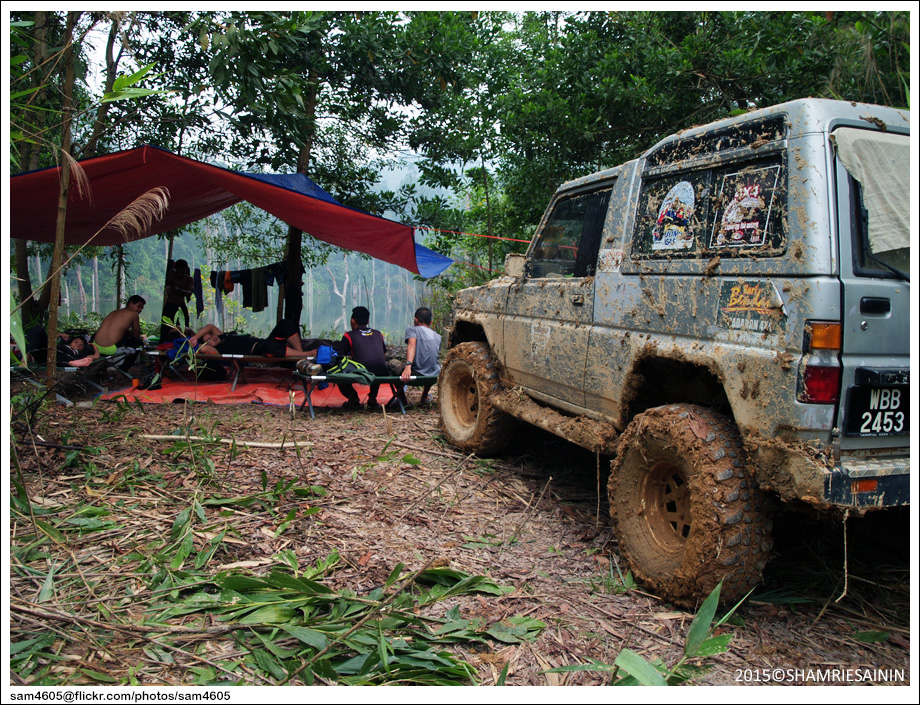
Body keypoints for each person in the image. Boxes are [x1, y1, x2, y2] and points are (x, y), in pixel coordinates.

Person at [336, 306, 390, 409]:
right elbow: (382, 356)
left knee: (339, 373)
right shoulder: (378, 334)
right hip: (381, 370)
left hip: (363, 371)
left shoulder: (349, 335)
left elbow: (340, 358)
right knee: (377, 365)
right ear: (368, 321)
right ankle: (372, 399)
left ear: (352, 321)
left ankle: (354, 399)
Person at [187, 323, 314, 359]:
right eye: (208, 340)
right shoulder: (217, 349)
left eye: (210, 335)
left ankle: (301, 360)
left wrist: (195, 337)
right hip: (257, 350)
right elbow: (204, 349)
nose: (212, 337)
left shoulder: (221, 336)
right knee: (269, 347)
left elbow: (209, 326)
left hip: (261, 342)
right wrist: (196, 343)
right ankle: (306, 355)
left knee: (285, 324)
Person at [400, 307, 441, 405]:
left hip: (416, 374)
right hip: (434, 374)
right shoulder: (437, 336)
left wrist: (408, 366)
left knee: (391, 366)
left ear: (415, 320)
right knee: (431, 366)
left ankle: (402, 400)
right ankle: (424, 396)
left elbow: (412, 345)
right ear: (431, 322)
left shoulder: (412, 330)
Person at [160, 259, 194, 341]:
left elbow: (189, 292)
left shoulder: (189, 279)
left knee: (183, 328)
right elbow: (169, 289)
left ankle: (183, 345)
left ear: (186, 270)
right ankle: (165, 344)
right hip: (170, 305)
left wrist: (178, 290)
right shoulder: (171, 274)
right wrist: (181, 290)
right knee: (166, 328)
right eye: (179, 271)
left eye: (183, 272)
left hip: (181, 305)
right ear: (176, 269)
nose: (181, 274)